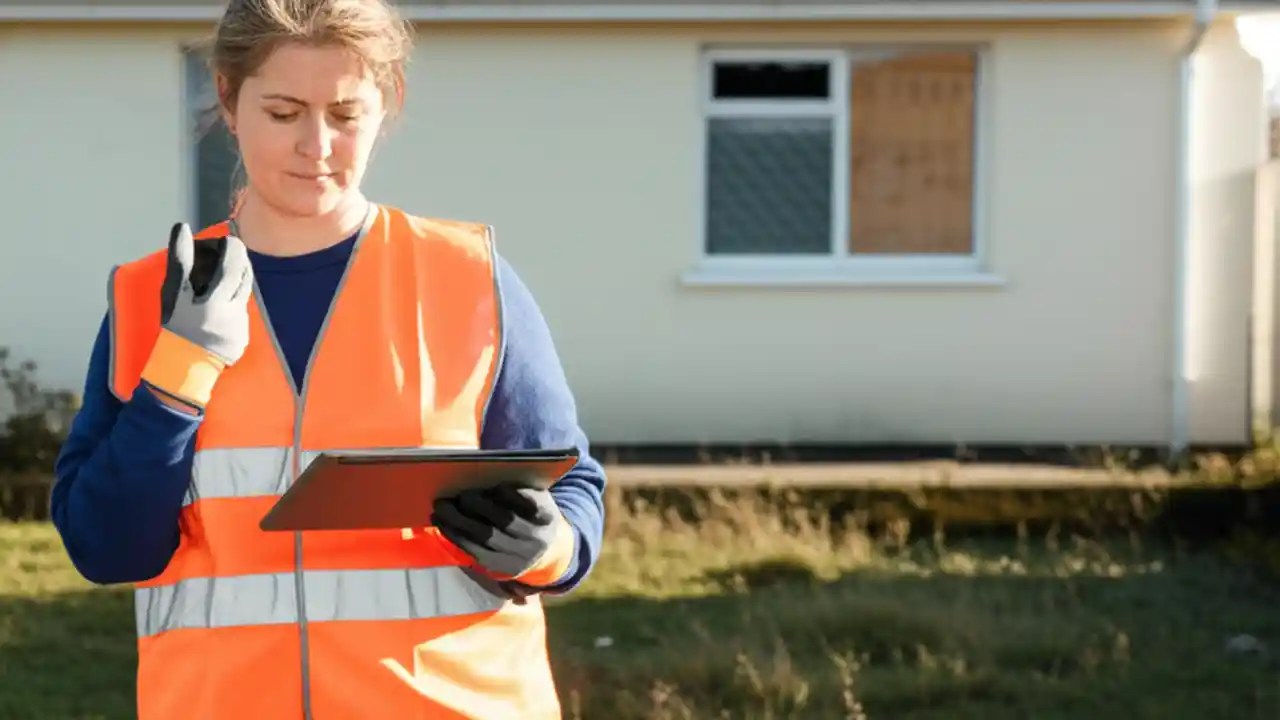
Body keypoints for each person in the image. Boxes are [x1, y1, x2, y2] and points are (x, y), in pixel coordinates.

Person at [49, 1, 607, 718]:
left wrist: (548, 546)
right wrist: (181, 368)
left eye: (345, 115)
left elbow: (571, 490)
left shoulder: (468, 277)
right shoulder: (148, 297)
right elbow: (107, 548)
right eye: (283, 113)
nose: (317, 146)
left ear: (388, 103)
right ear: (227, 96)